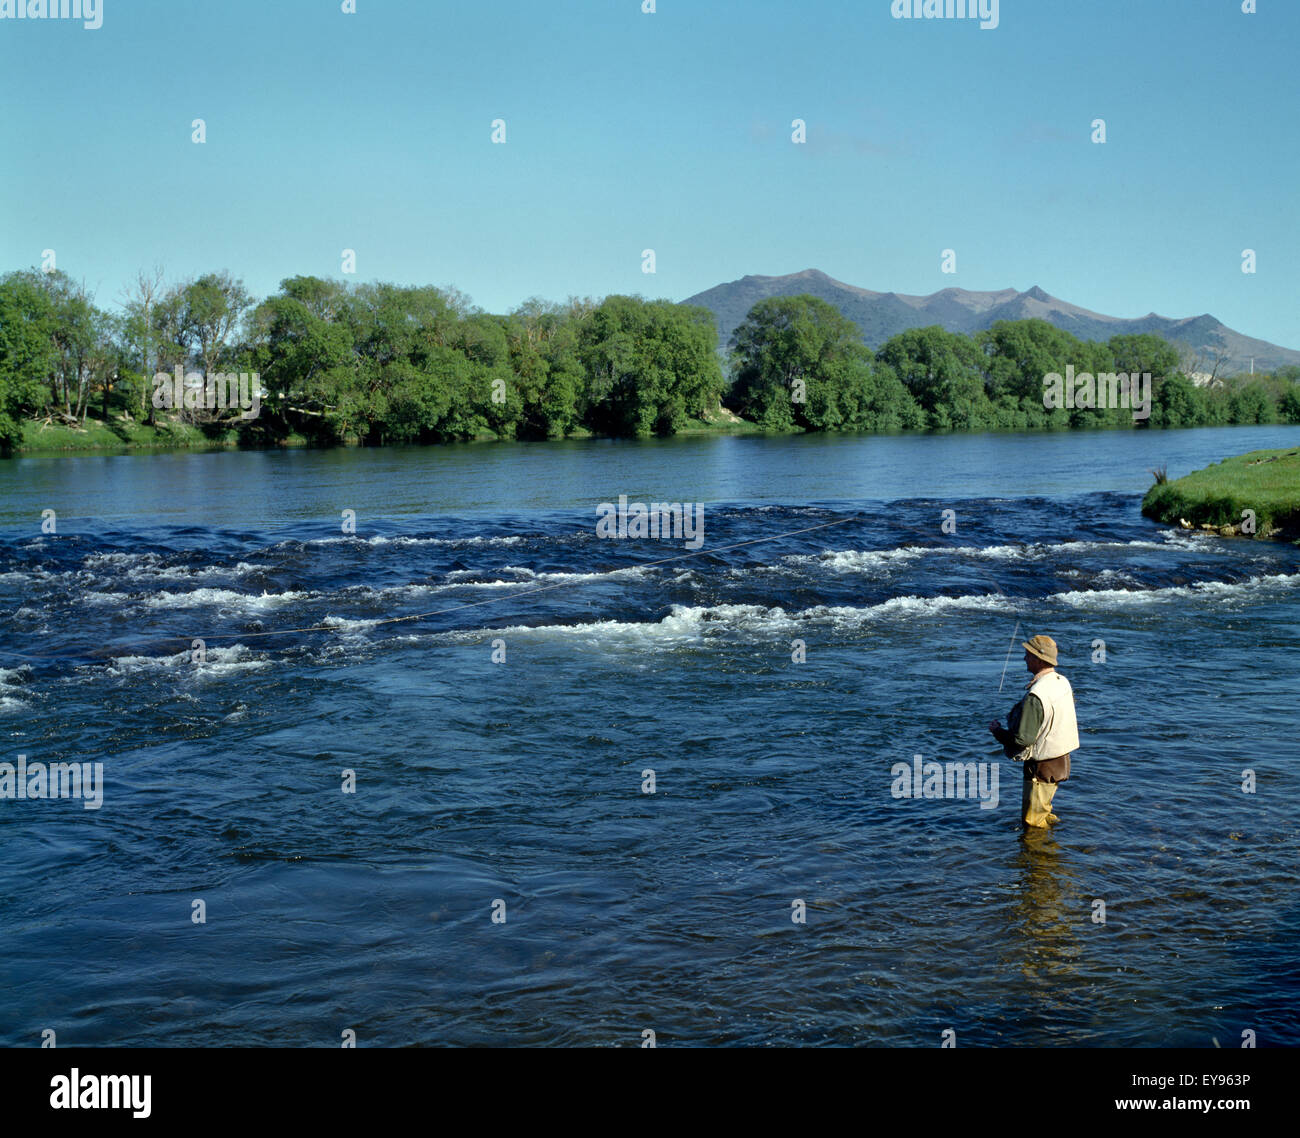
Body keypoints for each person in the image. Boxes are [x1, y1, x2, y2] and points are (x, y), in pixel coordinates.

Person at [987, 634, 1078, 829]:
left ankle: (1042, 858)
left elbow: (1022, 740)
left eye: (1028, 655)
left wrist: (997, 732)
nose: (1024, 659)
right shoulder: (1062, 681)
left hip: (1042, 767)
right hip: (1060, 761)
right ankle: (1055, 850)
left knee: (1033, 825)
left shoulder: (1036, 695)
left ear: (1038, 659)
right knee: (1044, 814)